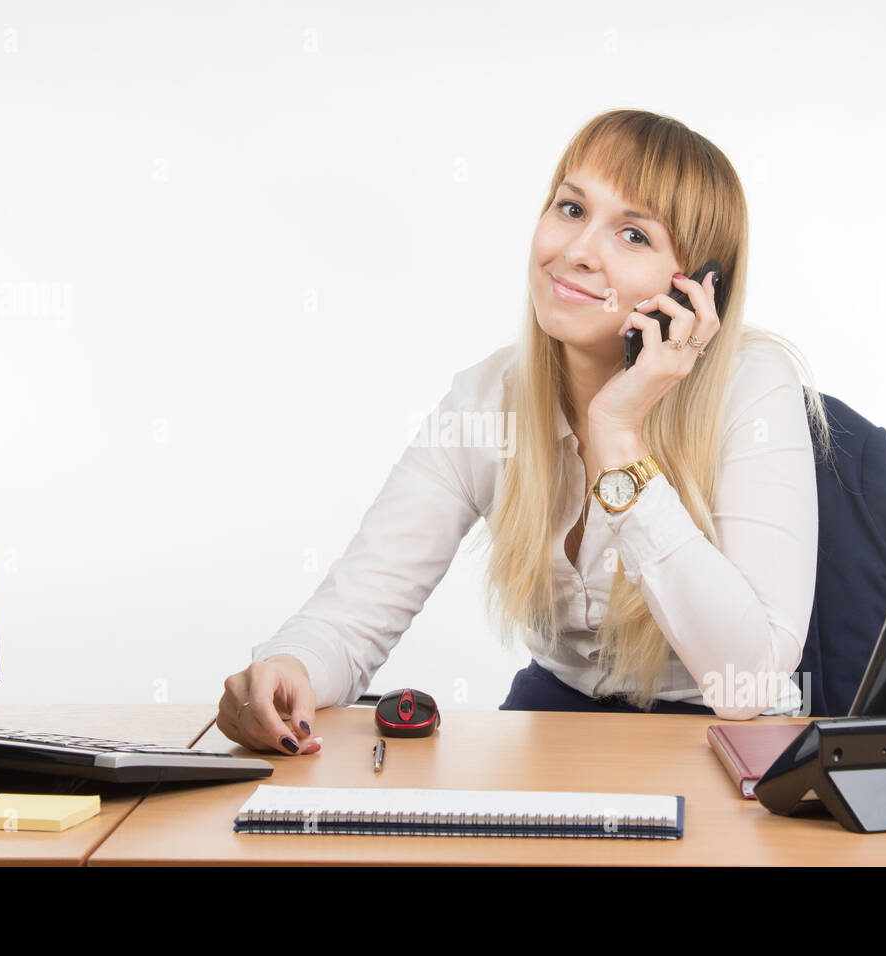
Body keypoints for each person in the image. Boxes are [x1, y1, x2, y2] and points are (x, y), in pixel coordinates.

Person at [217, 108, 831, 755]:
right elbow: (352, 615)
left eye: (633, 235)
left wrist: (618, 435)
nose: (577, 252)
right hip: (556, 728)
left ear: (701, 290)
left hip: (721, 739)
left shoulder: (753, 385)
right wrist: (290, 668)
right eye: (571, 209)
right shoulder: (488, 399)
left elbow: (749, 685)